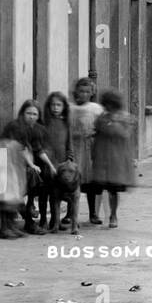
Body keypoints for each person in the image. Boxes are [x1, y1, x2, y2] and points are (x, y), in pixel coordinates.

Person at [89, 90, 138, 228]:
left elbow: (125, 134)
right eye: (106, 105)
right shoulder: (102, 118)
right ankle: (97, 214)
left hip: (116, 159)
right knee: (100, 188)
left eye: (111, 105)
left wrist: (113, 124)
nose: (108, 108)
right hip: (102, 158)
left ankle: (113, 215)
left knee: (113, 190)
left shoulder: (124, 118)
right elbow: (96, 132)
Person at [0, 105, 37, 239]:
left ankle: (11, 226)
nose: (31, 116)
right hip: (6, 165)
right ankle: (5, 228)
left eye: (34, 114)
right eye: (29, 113)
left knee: (13, 198)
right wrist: (31, 164)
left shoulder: (26, 128)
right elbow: (20, 148)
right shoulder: (17, 127)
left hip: (12, 166)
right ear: (22, 113)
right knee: (7, 199)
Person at [69, 78, 103, 225]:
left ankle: (93, 213)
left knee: (91, 182)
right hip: (74, 146)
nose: (84, 94)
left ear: (92, 93)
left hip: (91, 147)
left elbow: (101, 126)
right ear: (76, 91)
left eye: (87, 92)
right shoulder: (70, 108)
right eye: (81, 91)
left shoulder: (96, 109)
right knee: (72, 179)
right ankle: (70, 213)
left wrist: (94, 134)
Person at [38, 91, 73, 231]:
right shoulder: (43, 123)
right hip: (45, 162)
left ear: (64, 107)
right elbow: (38, 141)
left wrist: (70, 159)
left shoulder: (66, 123)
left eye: (59, 105)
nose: (55, 108)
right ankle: (42, 219)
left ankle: (55, 220)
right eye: (53, 105)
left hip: (60, 162)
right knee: (43, 192)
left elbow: (69, 143)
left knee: (55, 193)